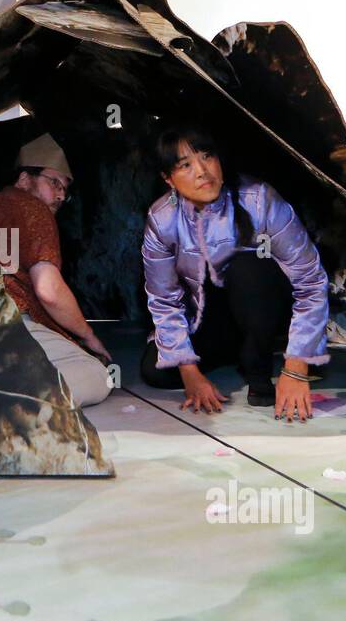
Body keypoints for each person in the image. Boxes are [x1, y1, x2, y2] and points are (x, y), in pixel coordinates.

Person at [140, 127, 330, 421]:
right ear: (169, 180)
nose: (202, 171)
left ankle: (258, 361)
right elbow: (164, 299)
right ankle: (230, 353)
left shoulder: (259, 199)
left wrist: (297, 367)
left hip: (260, 308)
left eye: (207, 157)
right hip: (209, 319)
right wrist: (189, 371)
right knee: (156, 372)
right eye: (186, 165)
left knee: (249, 266)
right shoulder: (162, 218)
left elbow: (311, 281)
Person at [0, 134, 112, 408]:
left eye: (65, 188)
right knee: (99, 375)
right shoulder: (34, 209)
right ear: (25, 179)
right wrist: (89, 336)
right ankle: (3, 398)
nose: (61, 195)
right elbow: (49, 291)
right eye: (54, 182)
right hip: (3, 321)